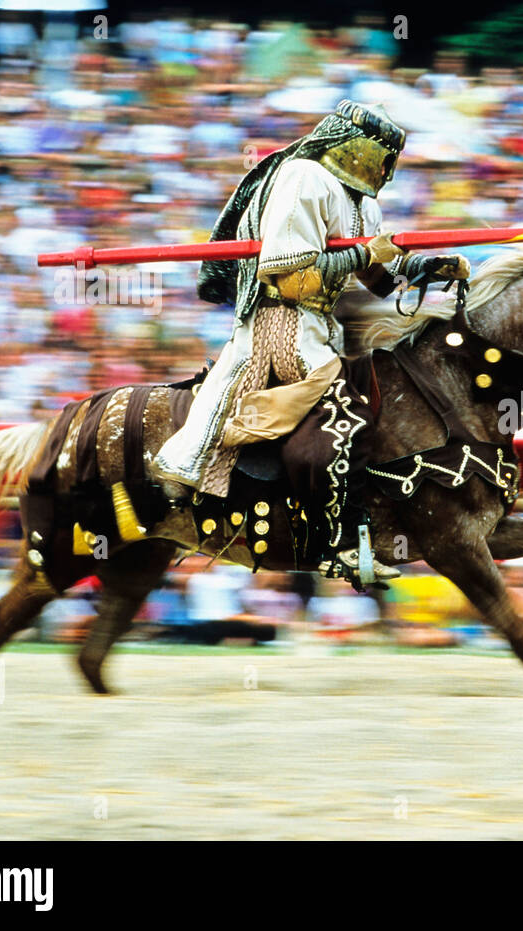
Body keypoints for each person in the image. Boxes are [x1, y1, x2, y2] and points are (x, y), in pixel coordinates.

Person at [152, 100, 470, 583]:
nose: (389, 170)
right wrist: (365, 254)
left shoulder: (361, 199)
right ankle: (336, 542)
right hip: (280, 321)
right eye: (387, 157)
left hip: (325, 325)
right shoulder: (305, 177)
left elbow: (377, 277)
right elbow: (287, 277)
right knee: (348, 410)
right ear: (362, 148)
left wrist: (425, 266)